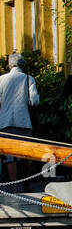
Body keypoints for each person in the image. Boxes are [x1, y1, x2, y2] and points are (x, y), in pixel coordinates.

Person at [0, 53, 39, 182]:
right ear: (23, 64)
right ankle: (27, 184)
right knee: (25, 154)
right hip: (23, 121)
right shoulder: (28, 79)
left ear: (9, 65)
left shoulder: (1, 79)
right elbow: (34, 101)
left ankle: (15, 187)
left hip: (5, 122)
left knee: (9, 157)